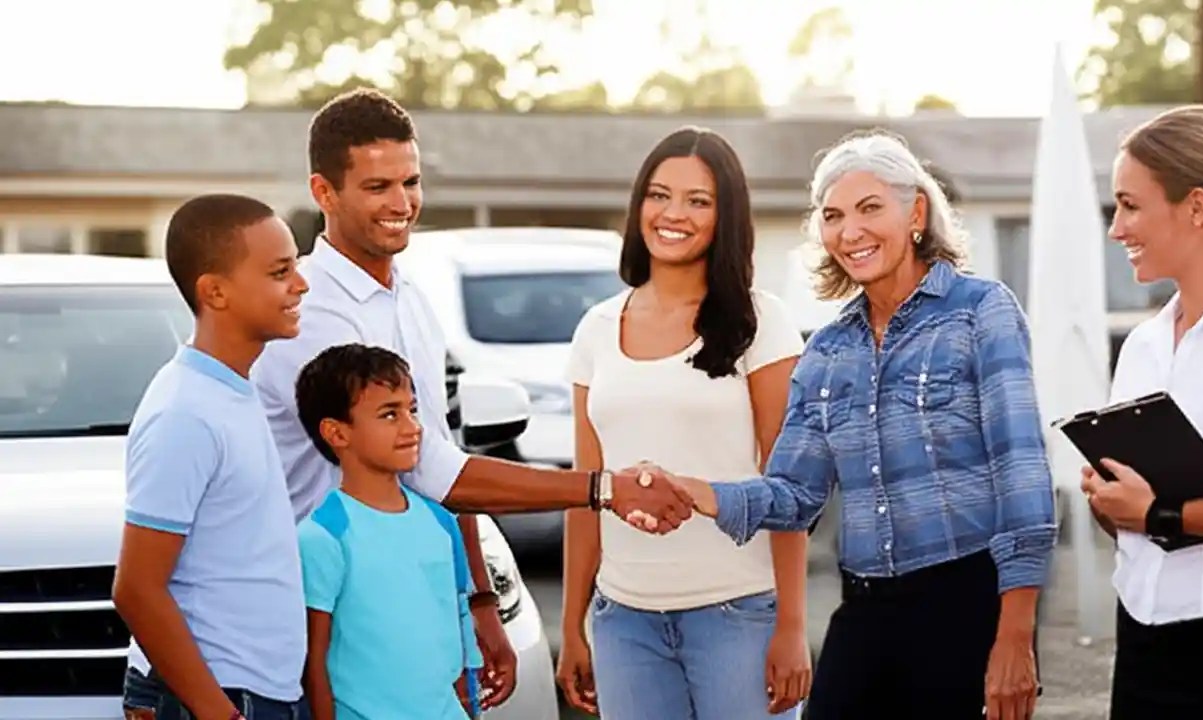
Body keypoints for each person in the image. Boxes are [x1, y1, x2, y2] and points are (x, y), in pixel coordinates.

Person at [250, 89, 694, 707]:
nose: (401, 203)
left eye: (411, 181)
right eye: (377, 187)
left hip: (414, 610)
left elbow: (437, 453)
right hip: (327, 615)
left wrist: (479, 599)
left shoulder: (414, 300)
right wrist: (605, 489)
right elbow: (434, 469)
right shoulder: (308, 313)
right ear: (324, 193)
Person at [673, 131, 1056, 720]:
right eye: (833, 216)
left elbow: (1022, 474)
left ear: (917, 213)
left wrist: (1014, 636)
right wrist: (699, 494)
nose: (849, 231)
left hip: (967, 603)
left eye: (870, 208)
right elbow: (795, 496)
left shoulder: (982, 311)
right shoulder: (826, 349)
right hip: (866, 608)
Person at [556, 127, 810, 719]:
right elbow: (585, 490)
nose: (673, 214)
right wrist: (573, 624)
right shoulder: (596, 328)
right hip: (624, 623)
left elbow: (789, 490)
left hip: (738, 615)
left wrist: (793, 626)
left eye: (698, 200)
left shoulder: (762, 323)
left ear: (726, 216)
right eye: (658, 194)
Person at [1079, 105, 1203, 718]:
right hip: (1142, 639)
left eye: (1130, 205)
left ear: (1197, 207)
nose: (1116, 228)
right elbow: (1133, 519)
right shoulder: (1141, 345)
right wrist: (1113, 503)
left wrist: (1157, 512)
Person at [114, 194, 311, 720]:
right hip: (220, 696)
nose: (301, 284)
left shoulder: (233, 388)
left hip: (261, 690)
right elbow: (136, 589)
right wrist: (216, 711)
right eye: (280, 271)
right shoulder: (185, 411)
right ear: (215, 291)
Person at [294, 343, 484, 720]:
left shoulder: (441, 522)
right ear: (337, 432)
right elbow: (313, 662)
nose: (412, 428)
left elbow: (458, 619)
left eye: (411, 410)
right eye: (389, 414)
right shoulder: (322, 536)